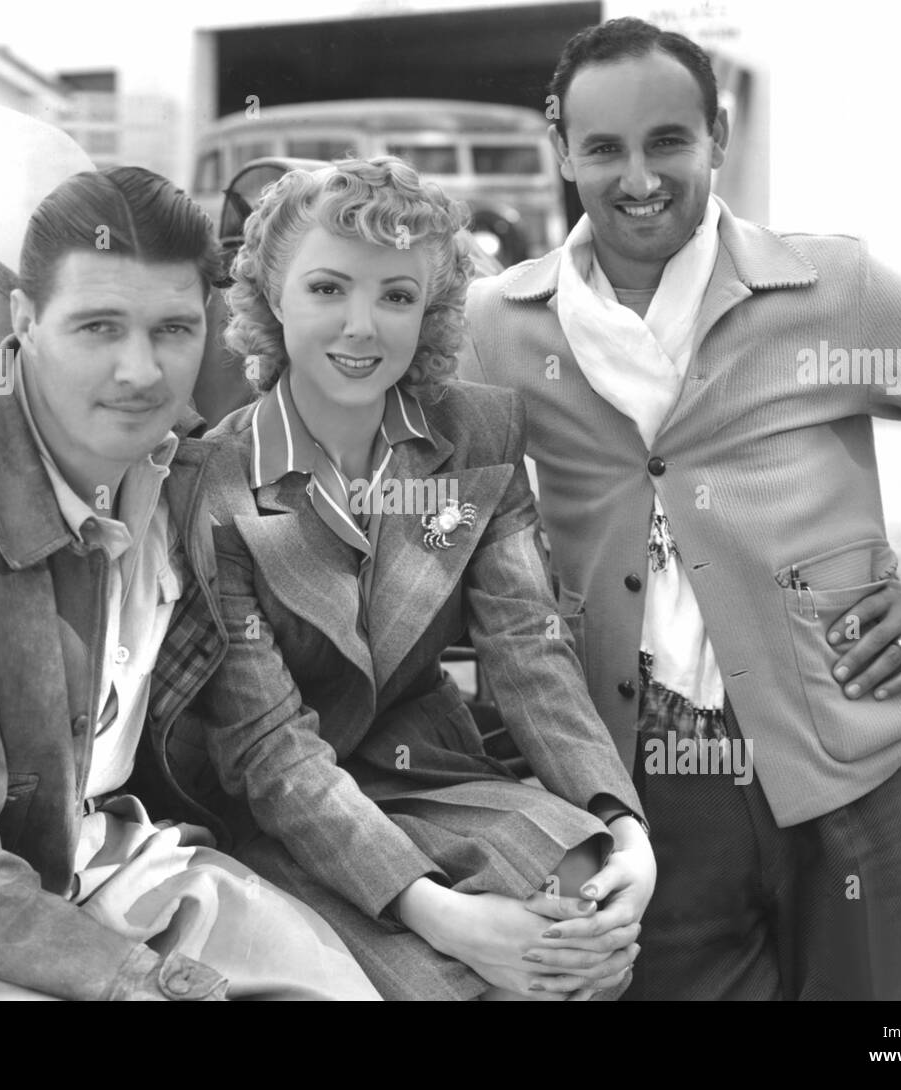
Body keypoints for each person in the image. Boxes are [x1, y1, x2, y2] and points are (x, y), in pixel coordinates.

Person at [460, 16, 901, 1001]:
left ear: (718, 137)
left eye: (668, 141)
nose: (638, 179)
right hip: (647, 782)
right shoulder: (503, 329)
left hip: (861, 755)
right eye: (603, 148)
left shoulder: (830, 291)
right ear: (561, 148)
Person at [0, 165, 378, 1001]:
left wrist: (426, 894)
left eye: (172, 328)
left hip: (90, 858)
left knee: (332, 983)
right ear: (24, 322)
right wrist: (144, 982)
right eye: (98, 327)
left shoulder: (185, 473)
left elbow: (265, 727)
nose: (140, 371)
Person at [180, 156, 656, 1001]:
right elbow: (269, 750)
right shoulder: (213, 482)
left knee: (584, 910)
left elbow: (529, 650)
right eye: (328, 289)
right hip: (290, 808)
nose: (362, 327)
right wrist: (441, 915)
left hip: (431, 769)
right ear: (272, 296)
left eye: (396, 296)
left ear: (430, 310)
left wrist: (622, 825)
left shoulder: (477, 432)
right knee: (448, 983)